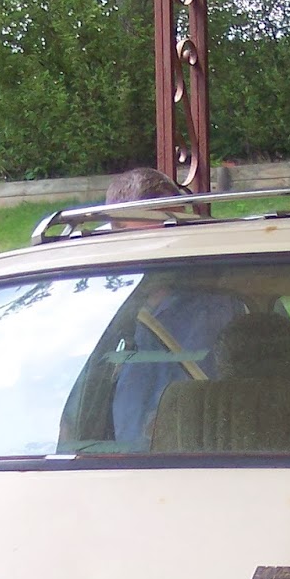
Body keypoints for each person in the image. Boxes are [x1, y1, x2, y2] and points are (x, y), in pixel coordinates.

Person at [103, 167, 247, 444]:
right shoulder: (96, 313)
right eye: (147, 240)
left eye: (172, 231)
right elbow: (68, 424)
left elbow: (279, 382)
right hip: (113, 474)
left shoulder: (229, 302)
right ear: (114, 239)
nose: (164, 249)